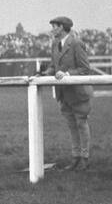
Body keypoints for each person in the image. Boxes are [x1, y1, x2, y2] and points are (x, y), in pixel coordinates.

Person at [34, 16, 95, 171]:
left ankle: (85, 158)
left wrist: (67, 74)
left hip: (78, 93)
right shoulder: (55, 44)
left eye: (54, 26)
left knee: (81, 124)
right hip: (63, 93)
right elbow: (54, 66)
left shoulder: (76, 43)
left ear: (61, 27)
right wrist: (44, 73)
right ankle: (76, 157)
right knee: (72, 126)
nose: (52, 29)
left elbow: (85, 69)